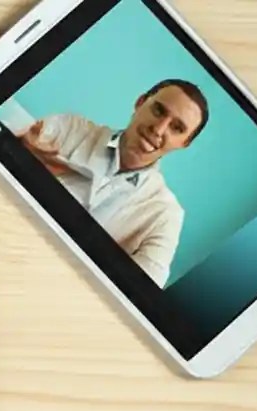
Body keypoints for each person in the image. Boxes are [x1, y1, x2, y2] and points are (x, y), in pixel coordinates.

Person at [13, 78, 209, 288]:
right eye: (159, 111)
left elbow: (142, 291)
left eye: (177, 128)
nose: (159, 129)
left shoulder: (166, 215)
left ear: (184, 143)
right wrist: (16, 153)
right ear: (140, 102)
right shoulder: (67, 128)